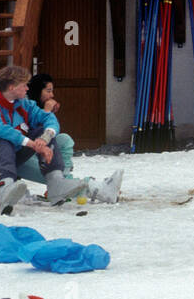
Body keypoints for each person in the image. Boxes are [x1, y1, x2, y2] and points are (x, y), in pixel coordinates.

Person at [0, 65, 86, 213]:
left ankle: (56, 183)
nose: (27, 89)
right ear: (11, 87)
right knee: (2, 141)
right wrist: (31, 144)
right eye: (24, 85)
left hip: (10, 156)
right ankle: (5, 188)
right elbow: (0, 130)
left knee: (41, 130)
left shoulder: (24, 104)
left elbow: (47, 117)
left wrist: (44, 138)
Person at [23, 73, 123, 204]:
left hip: (35, 152)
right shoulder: (21, 104)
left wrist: (47, 114)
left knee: (64, 140)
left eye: (52, 91)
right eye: (48, 91)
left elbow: (48, 130)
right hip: (18, 158)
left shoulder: (32, 105)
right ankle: (99, 190)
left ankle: (62, 187)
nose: (52, 95)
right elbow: (30, 133)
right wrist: (46, 112)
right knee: (58, 177)